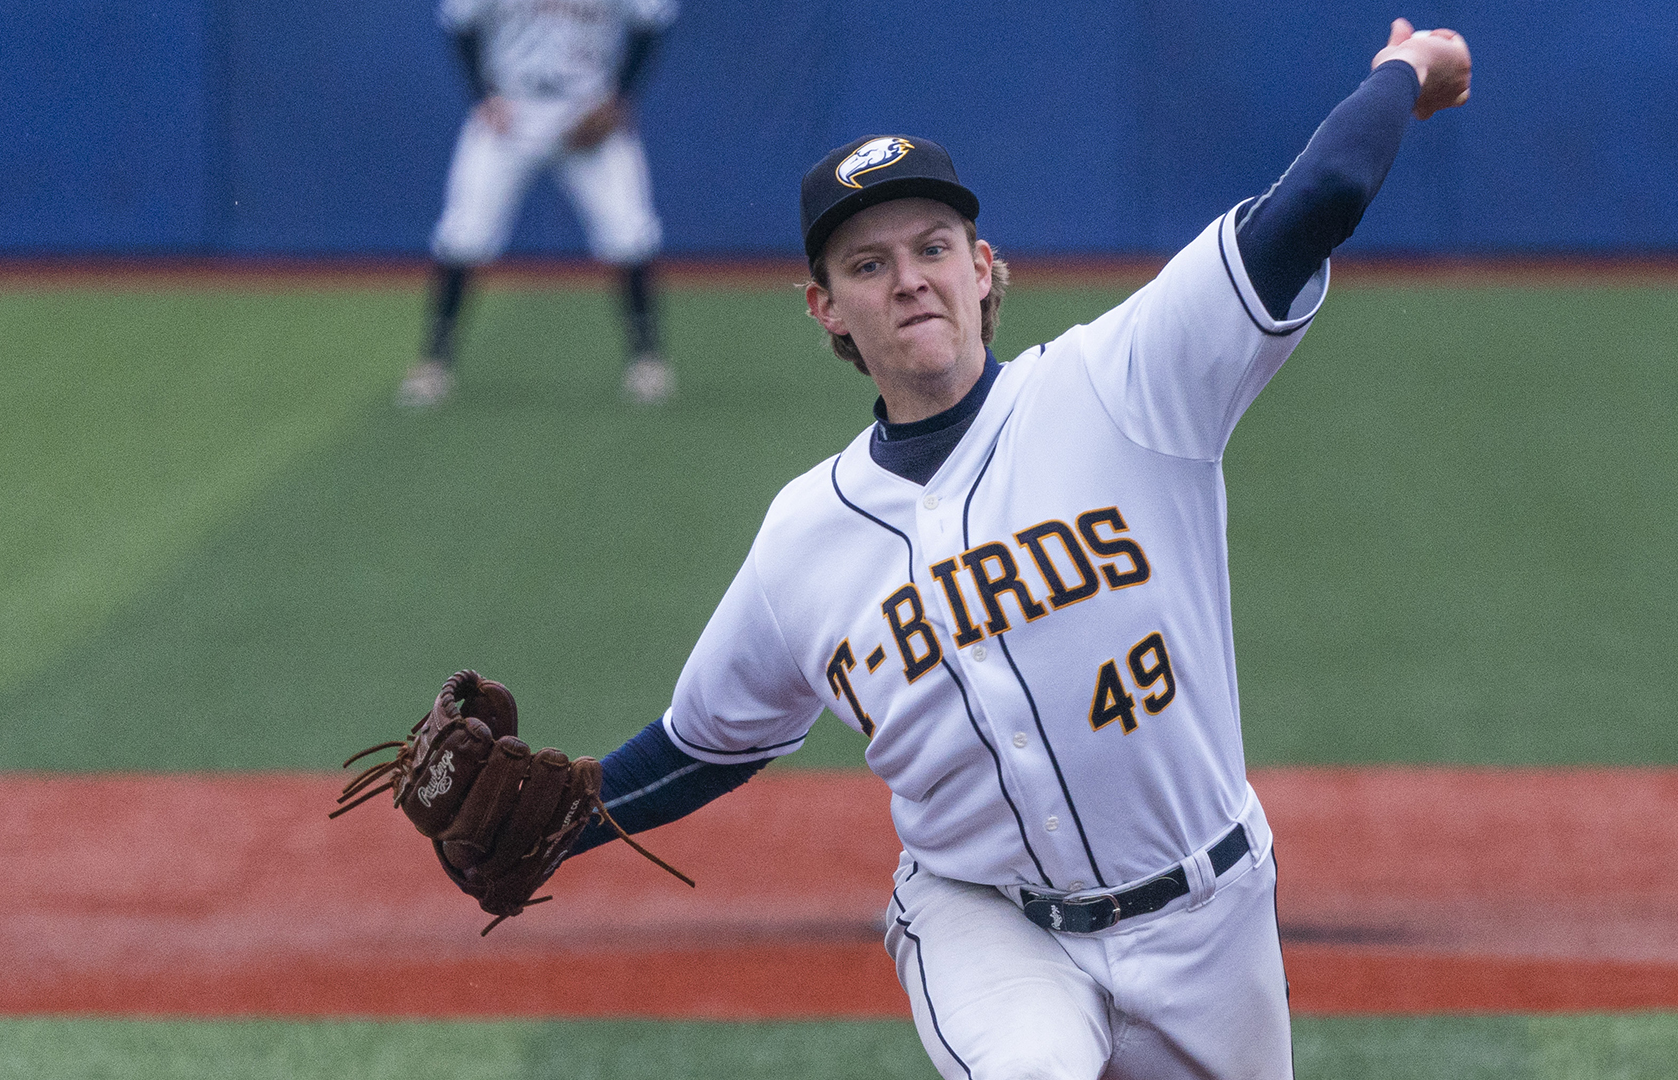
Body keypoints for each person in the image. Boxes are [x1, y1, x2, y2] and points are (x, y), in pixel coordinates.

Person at [561, 20, 1470, 1079]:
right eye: (868, 263)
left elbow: (1312, 206)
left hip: (1210, 913)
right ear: (828, 312)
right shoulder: (801, 539)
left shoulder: (1123, 382)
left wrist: (1404, 74)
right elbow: (700, 741)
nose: (908, 280)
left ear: (984, 269)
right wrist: (550, 829)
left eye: (932, 248)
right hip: (988, 921)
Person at [399, 0, 679, 408]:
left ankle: (648, 360)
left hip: (588, 111)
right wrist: (483, 96)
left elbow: (652, 20)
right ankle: (434, 363)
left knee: (630, 232)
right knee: (464, 233)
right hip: (512, 110)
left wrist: (620, 97)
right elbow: (459, 23)